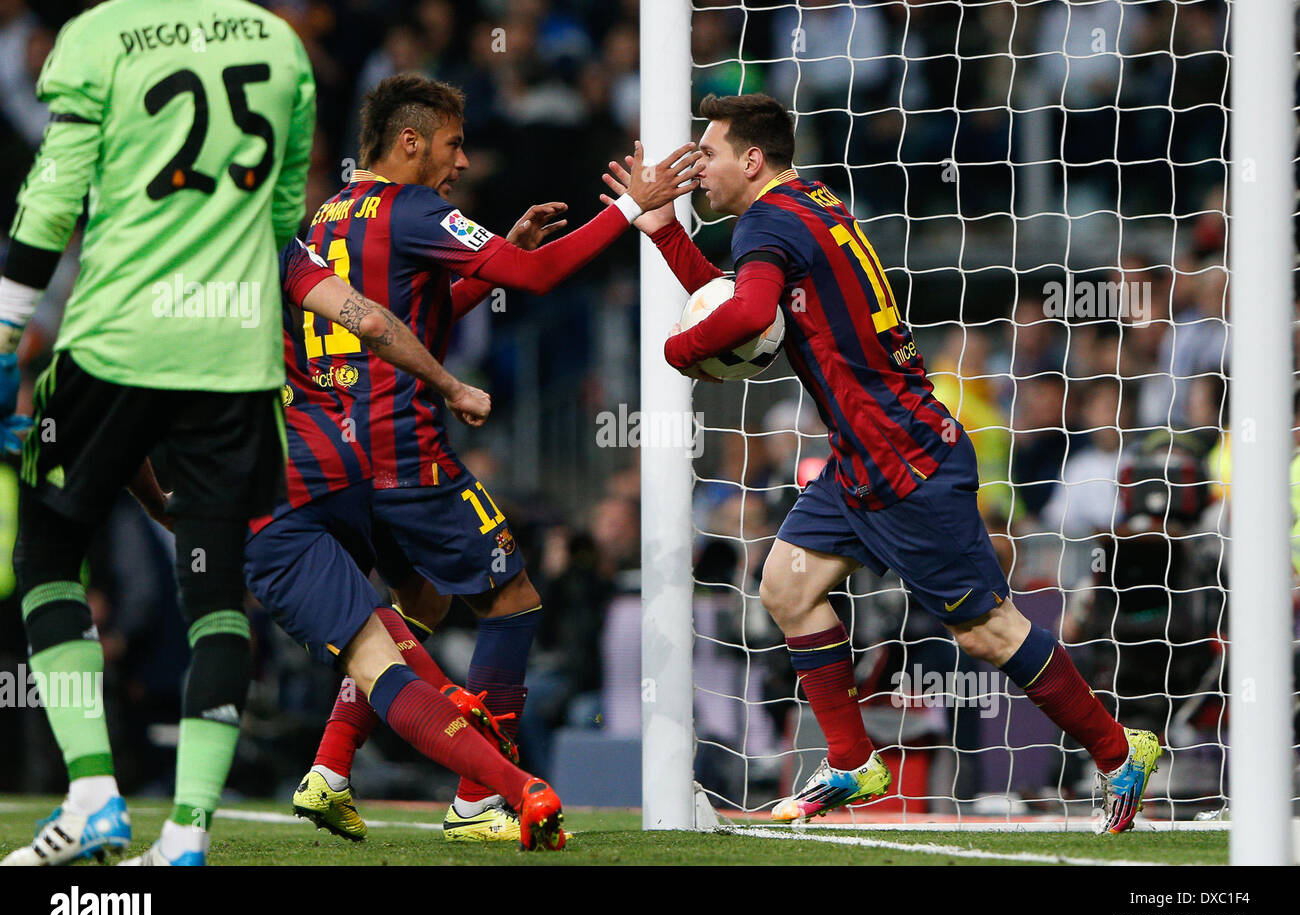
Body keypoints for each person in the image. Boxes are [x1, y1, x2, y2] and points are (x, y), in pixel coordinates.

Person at [602, 92, 1161, 834]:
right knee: (786, 586)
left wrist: (677, 354)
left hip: (904, 461)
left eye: (709, 154)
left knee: (987, 632)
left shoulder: (767, 221)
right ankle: (851, 761)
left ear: (753, 159)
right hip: (864, 456)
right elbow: (740, 299)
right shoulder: (809, 200)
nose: (697, 167)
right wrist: (664, 228)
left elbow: (741, 315)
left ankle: (1120, 750)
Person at [249, 73, 698, 844]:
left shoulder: (325, 217)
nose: (462, 164)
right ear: (411, 141)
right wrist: (632, 207)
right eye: (454, 145)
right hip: (402, 450)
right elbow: (541, 276)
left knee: (416, 609)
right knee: (515, 596)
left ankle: (329, 767)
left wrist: (491, 259)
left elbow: (391, 318)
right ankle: (475, 798)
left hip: (328, 452)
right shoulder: (416, 208)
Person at [0, 0, 316, 866]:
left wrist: (4, 332)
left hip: (119, 339)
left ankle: (94, 797)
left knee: (49, 552)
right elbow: (286, 214)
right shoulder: (280, 42)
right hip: (234, 355)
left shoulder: (99, 35)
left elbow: (53, 197)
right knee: (215, 592)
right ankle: (186, 835)